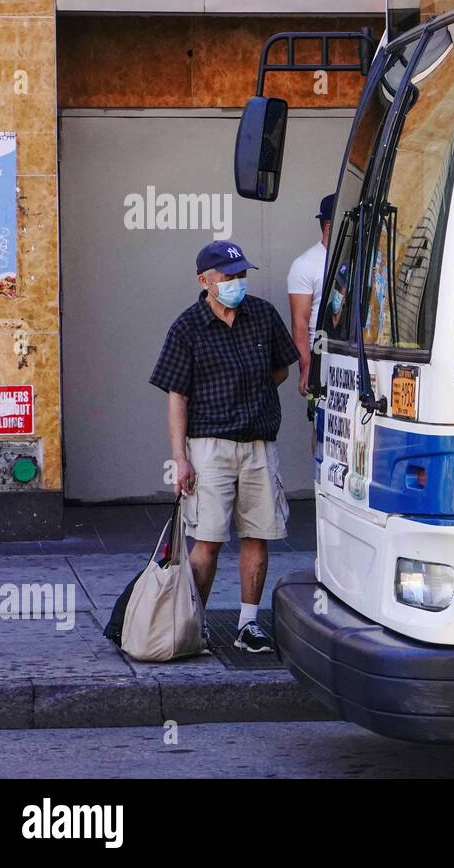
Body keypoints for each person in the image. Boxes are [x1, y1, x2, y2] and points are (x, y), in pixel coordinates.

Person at [149, 241, 301, 653]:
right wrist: (180, 458)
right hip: (210, 446)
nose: (237, 283)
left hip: (258, 443)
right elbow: (176, 396)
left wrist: (252, 392)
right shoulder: (187, 328)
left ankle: (248, 624)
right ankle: (191, 624)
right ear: (205, 281)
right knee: (209, 540)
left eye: (240, 275)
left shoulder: (263, 315)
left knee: (258, 534)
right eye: (228, 276)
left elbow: (283, 366)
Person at [287, 194, 334, 404]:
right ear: (329, 226)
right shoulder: (305, 264)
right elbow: (299, 322)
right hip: (321, 354)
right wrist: (307, 366)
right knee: (323, 419)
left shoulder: (362, 258)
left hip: (353, 352)